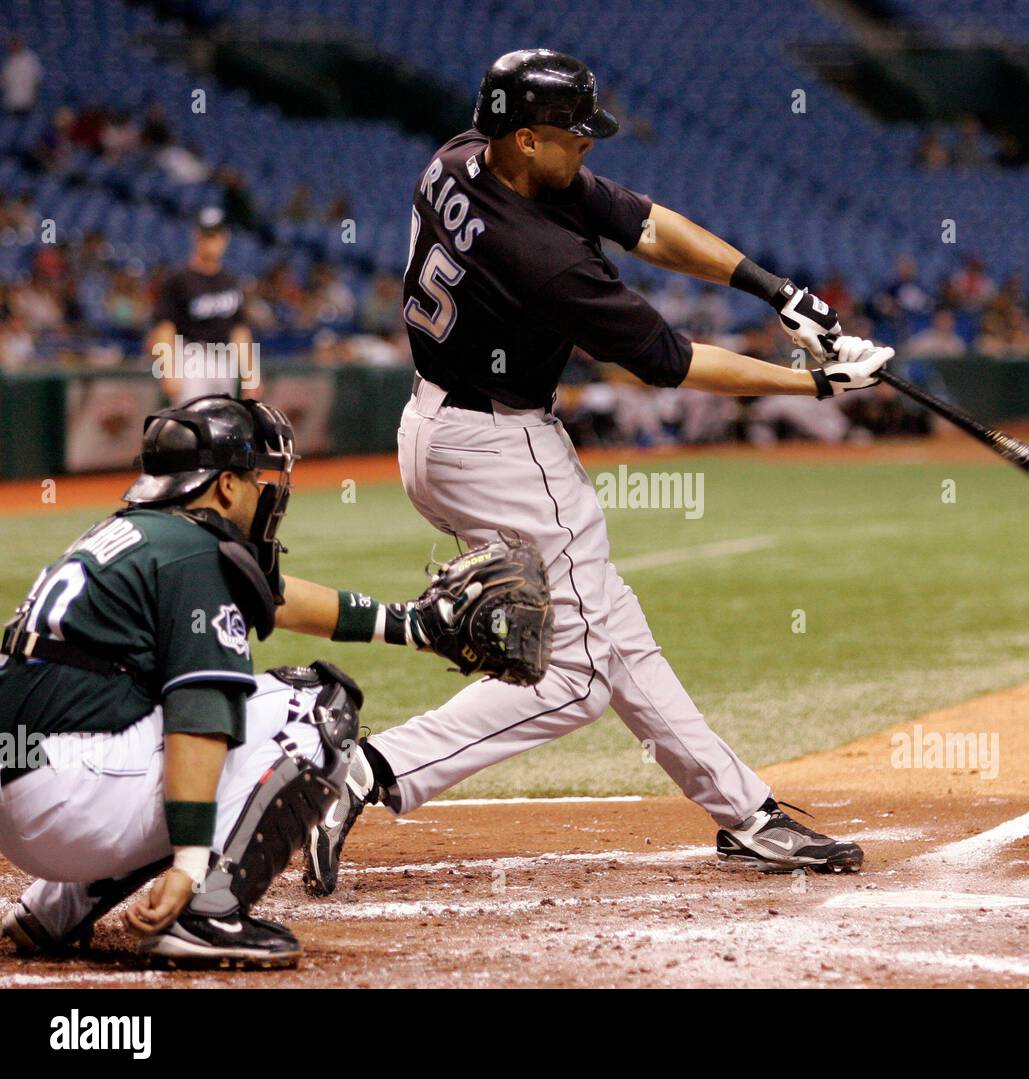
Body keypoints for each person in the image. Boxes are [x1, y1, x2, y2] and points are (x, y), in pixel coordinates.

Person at [302, 49, 893, 894]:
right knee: (574, 679)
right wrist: (813, 382)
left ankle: (747, 814)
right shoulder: (541, 256)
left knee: (613, 626)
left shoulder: (464, 155)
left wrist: (777, 292)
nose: (587, 149)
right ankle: (365, 769)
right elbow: (672, 360)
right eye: (572, 137)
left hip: (437, 428)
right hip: (501, 449)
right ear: (529, 138)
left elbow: (646, 223)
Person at [0, 396, 551, 966]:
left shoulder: (133, 537)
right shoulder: (193, 553)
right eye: (256, 475)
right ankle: (208, 914)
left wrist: (408, 624)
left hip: (30, 796)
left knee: (174, 728)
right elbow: (199, 710)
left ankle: (51, 910)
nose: (268, 490)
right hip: (78, 806)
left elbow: (271, 596)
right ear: (225, 487)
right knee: (316, 707)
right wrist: (190, 863)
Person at [146, 207, 252, 402]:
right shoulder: (178, 279)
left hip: (224, 359)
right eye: (207, 235)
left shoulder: (230, 280)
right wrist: (169, 369)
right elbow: (164, 327)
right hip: (192, 358)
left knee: (222, 423)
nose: (212, 241)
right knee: (192, 424)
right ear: (197, 237)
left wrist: (250, 374)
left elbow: (239, 329)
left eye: (216, 235)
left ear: (225, 237)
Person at [1, 36, 42, 115]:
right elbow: (4, 82)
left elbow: (37, 80)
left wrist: (34, 99)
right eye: (12, 44)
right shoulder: (8, 61)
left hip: (28, 103)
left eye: (16, 44)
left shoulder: (30, 58)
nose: (14, 46)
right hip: (11, 104)